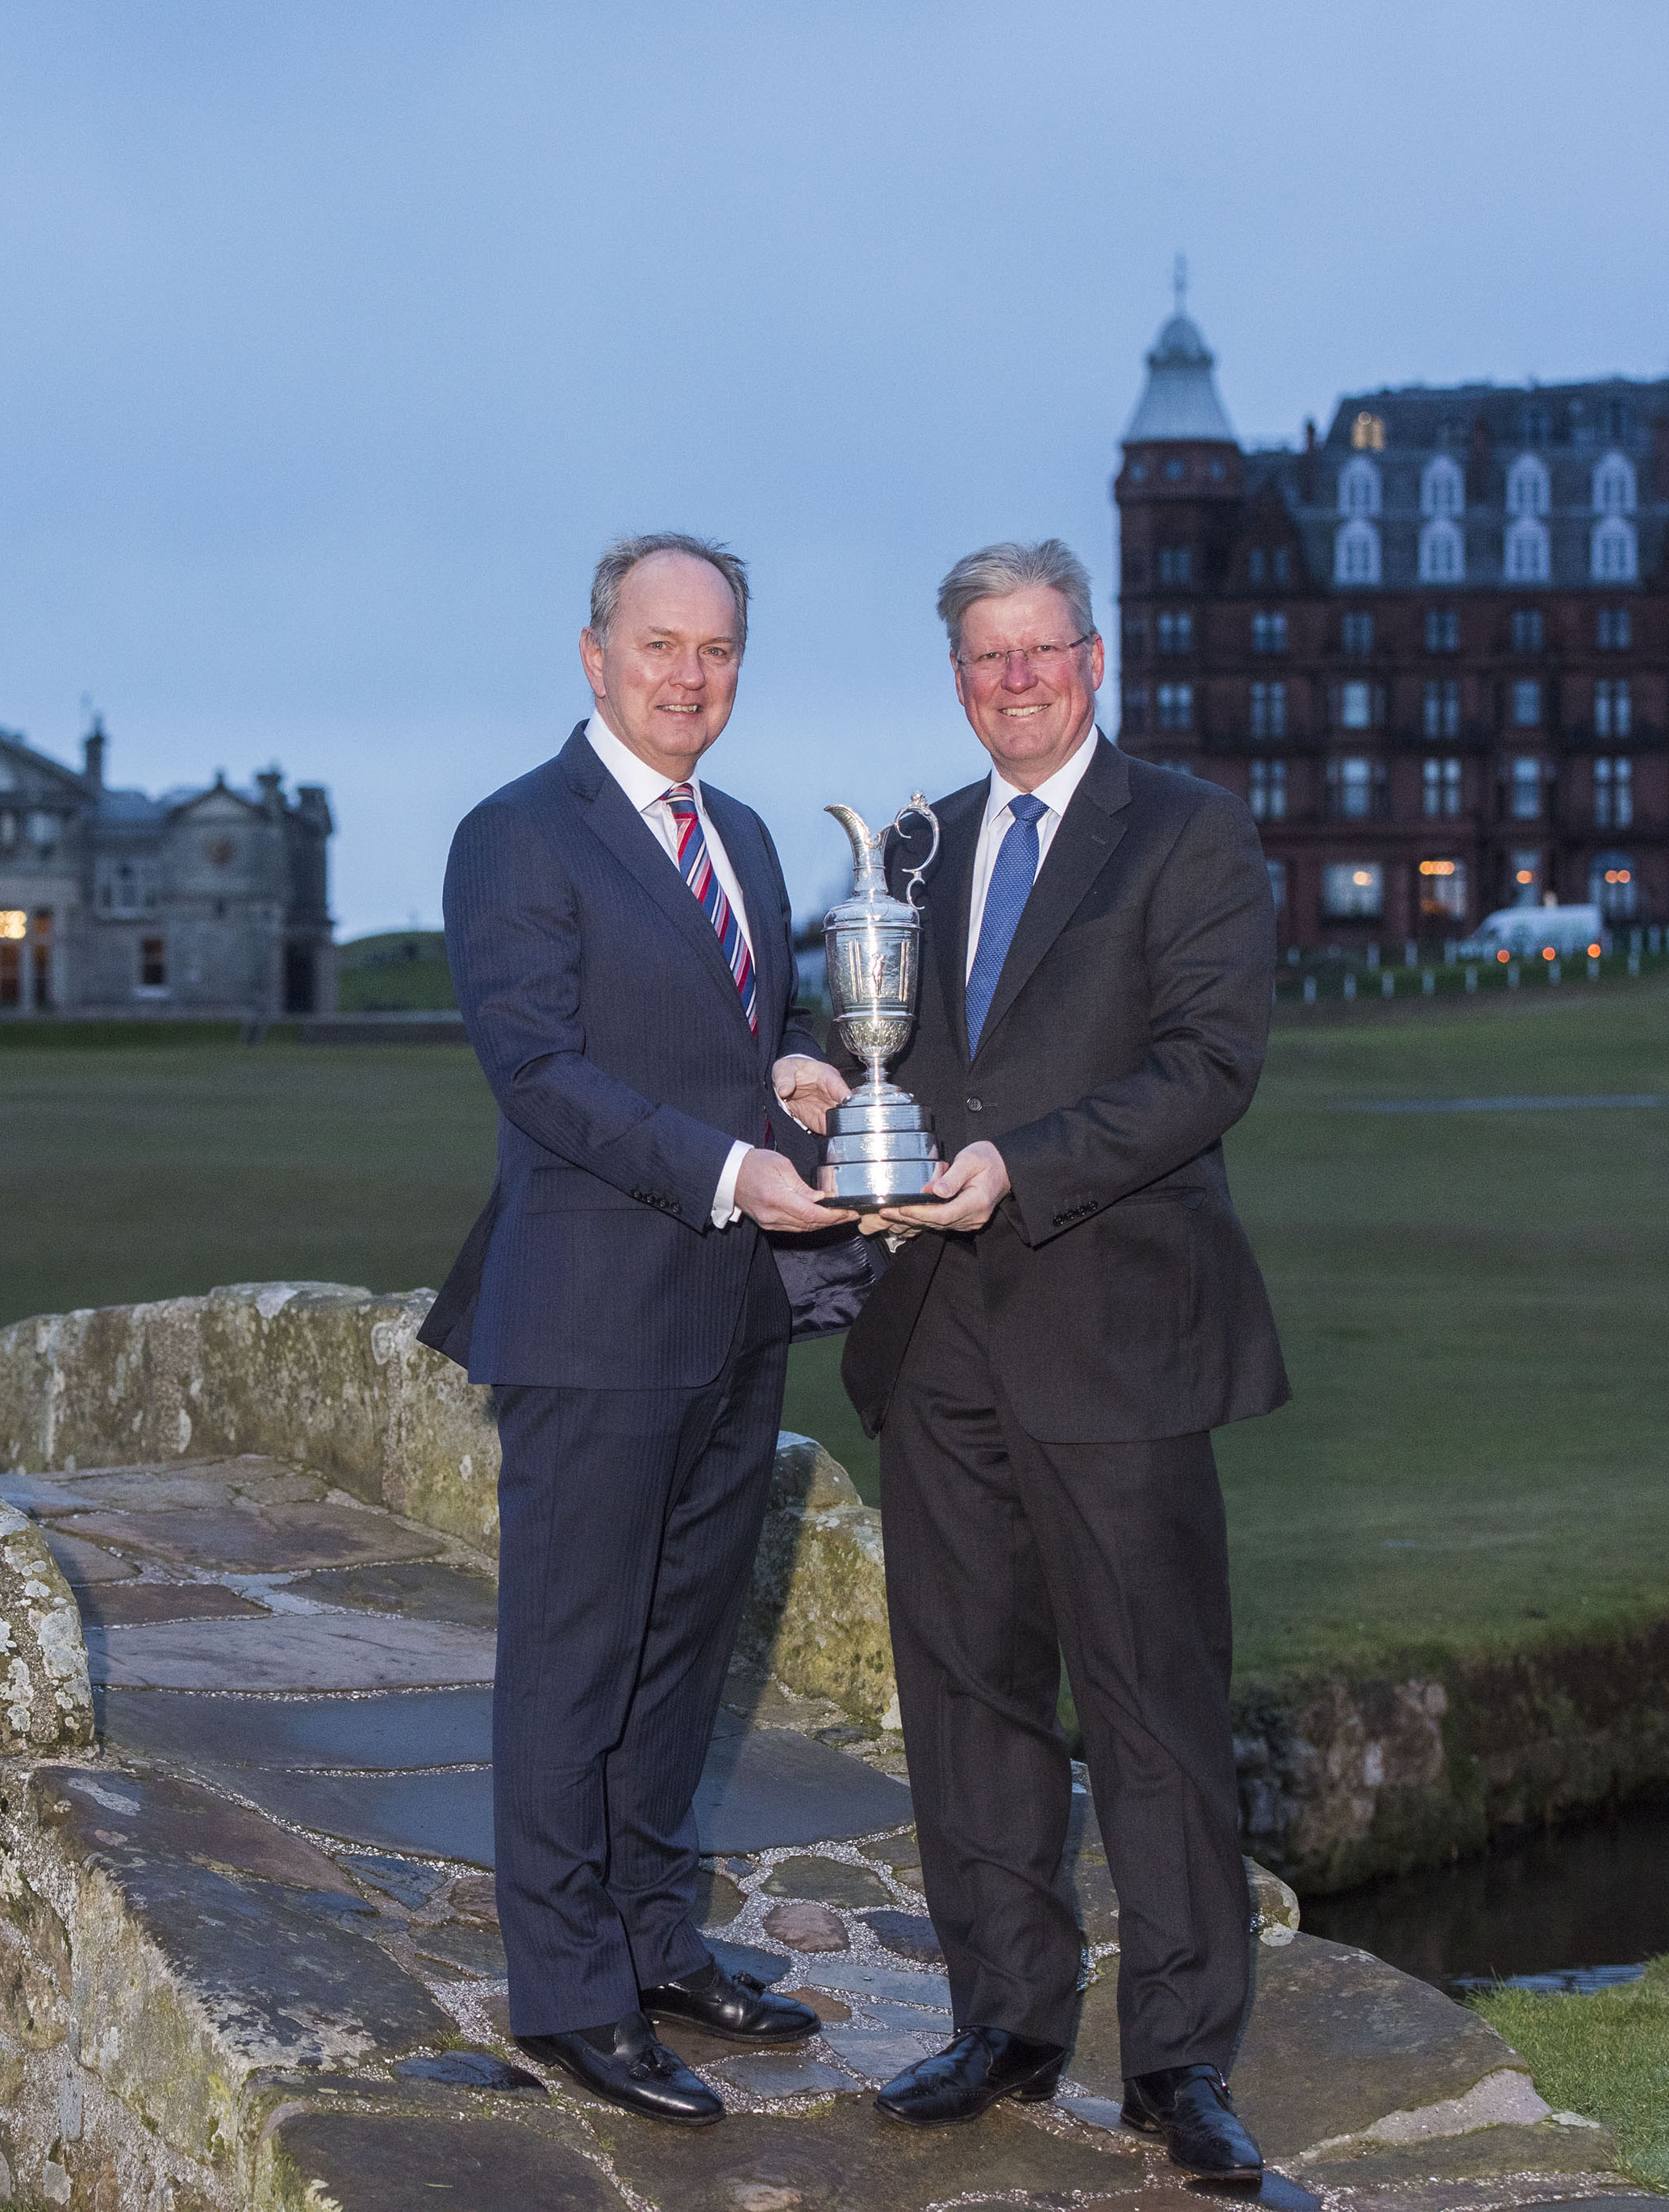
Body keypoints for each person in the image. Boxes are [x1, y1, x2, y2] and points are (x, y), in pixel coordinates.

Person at [841, 540, 1289, 2185]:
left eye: (1042, 654)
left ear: (1091, 662)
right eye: (984, 660)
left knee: (1155, 1715)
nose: (1015, 682)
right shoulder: (915, 843)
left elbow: (1211, 1064)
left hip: (1117, 1337)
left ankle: (1181, 2065)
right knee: (968, 1703)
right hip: (938, 1331)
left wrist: (1024, 1163)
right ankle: (1008, 2020)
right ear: (956, 677)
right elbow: (873, 1039)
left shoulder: (1187, 832)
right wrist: (828, 1093)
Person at [420, 533, 849, 2127]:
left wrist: (795, 1069)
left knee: (680, 1655)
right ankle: (571, 1995)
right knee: (572, 1660)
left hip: (730, 1312)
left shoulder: (738, 832)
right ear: (592, 653)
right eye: (659, 644)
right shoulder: (516, 837)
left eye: (718, 652)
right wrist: (735, 1162)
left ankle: (659, 1942)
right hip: (594, 1315)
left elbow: (731, 1024)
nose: (690, 675)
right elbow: (542, 1075)